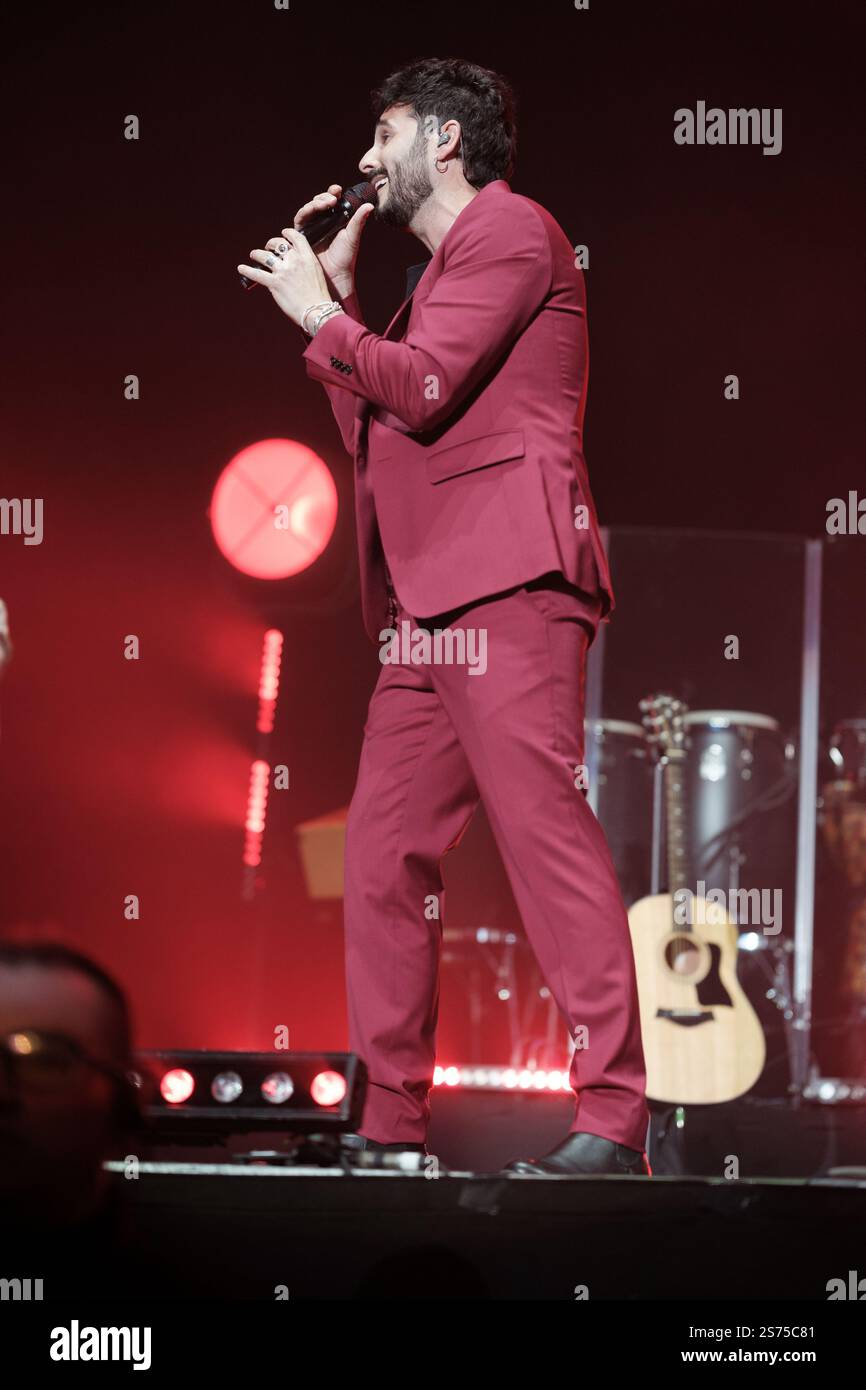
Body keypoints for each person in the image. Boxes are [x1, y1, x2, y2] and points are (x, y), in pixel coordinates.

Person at [238, 58, 650, 1176]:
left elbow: (419, 388)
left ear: (445, 143)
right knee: (377, 856)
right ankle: (388, 1130)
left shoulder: (514, 234)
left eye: (385, 135)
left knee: (540, 837)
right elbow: (384, 440)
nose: (366, 160)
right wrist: (340, 316)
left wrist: (322, 314)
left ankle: (612, 1118)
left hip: (511, 582)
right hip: (427, 612)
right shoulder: (436, 279)